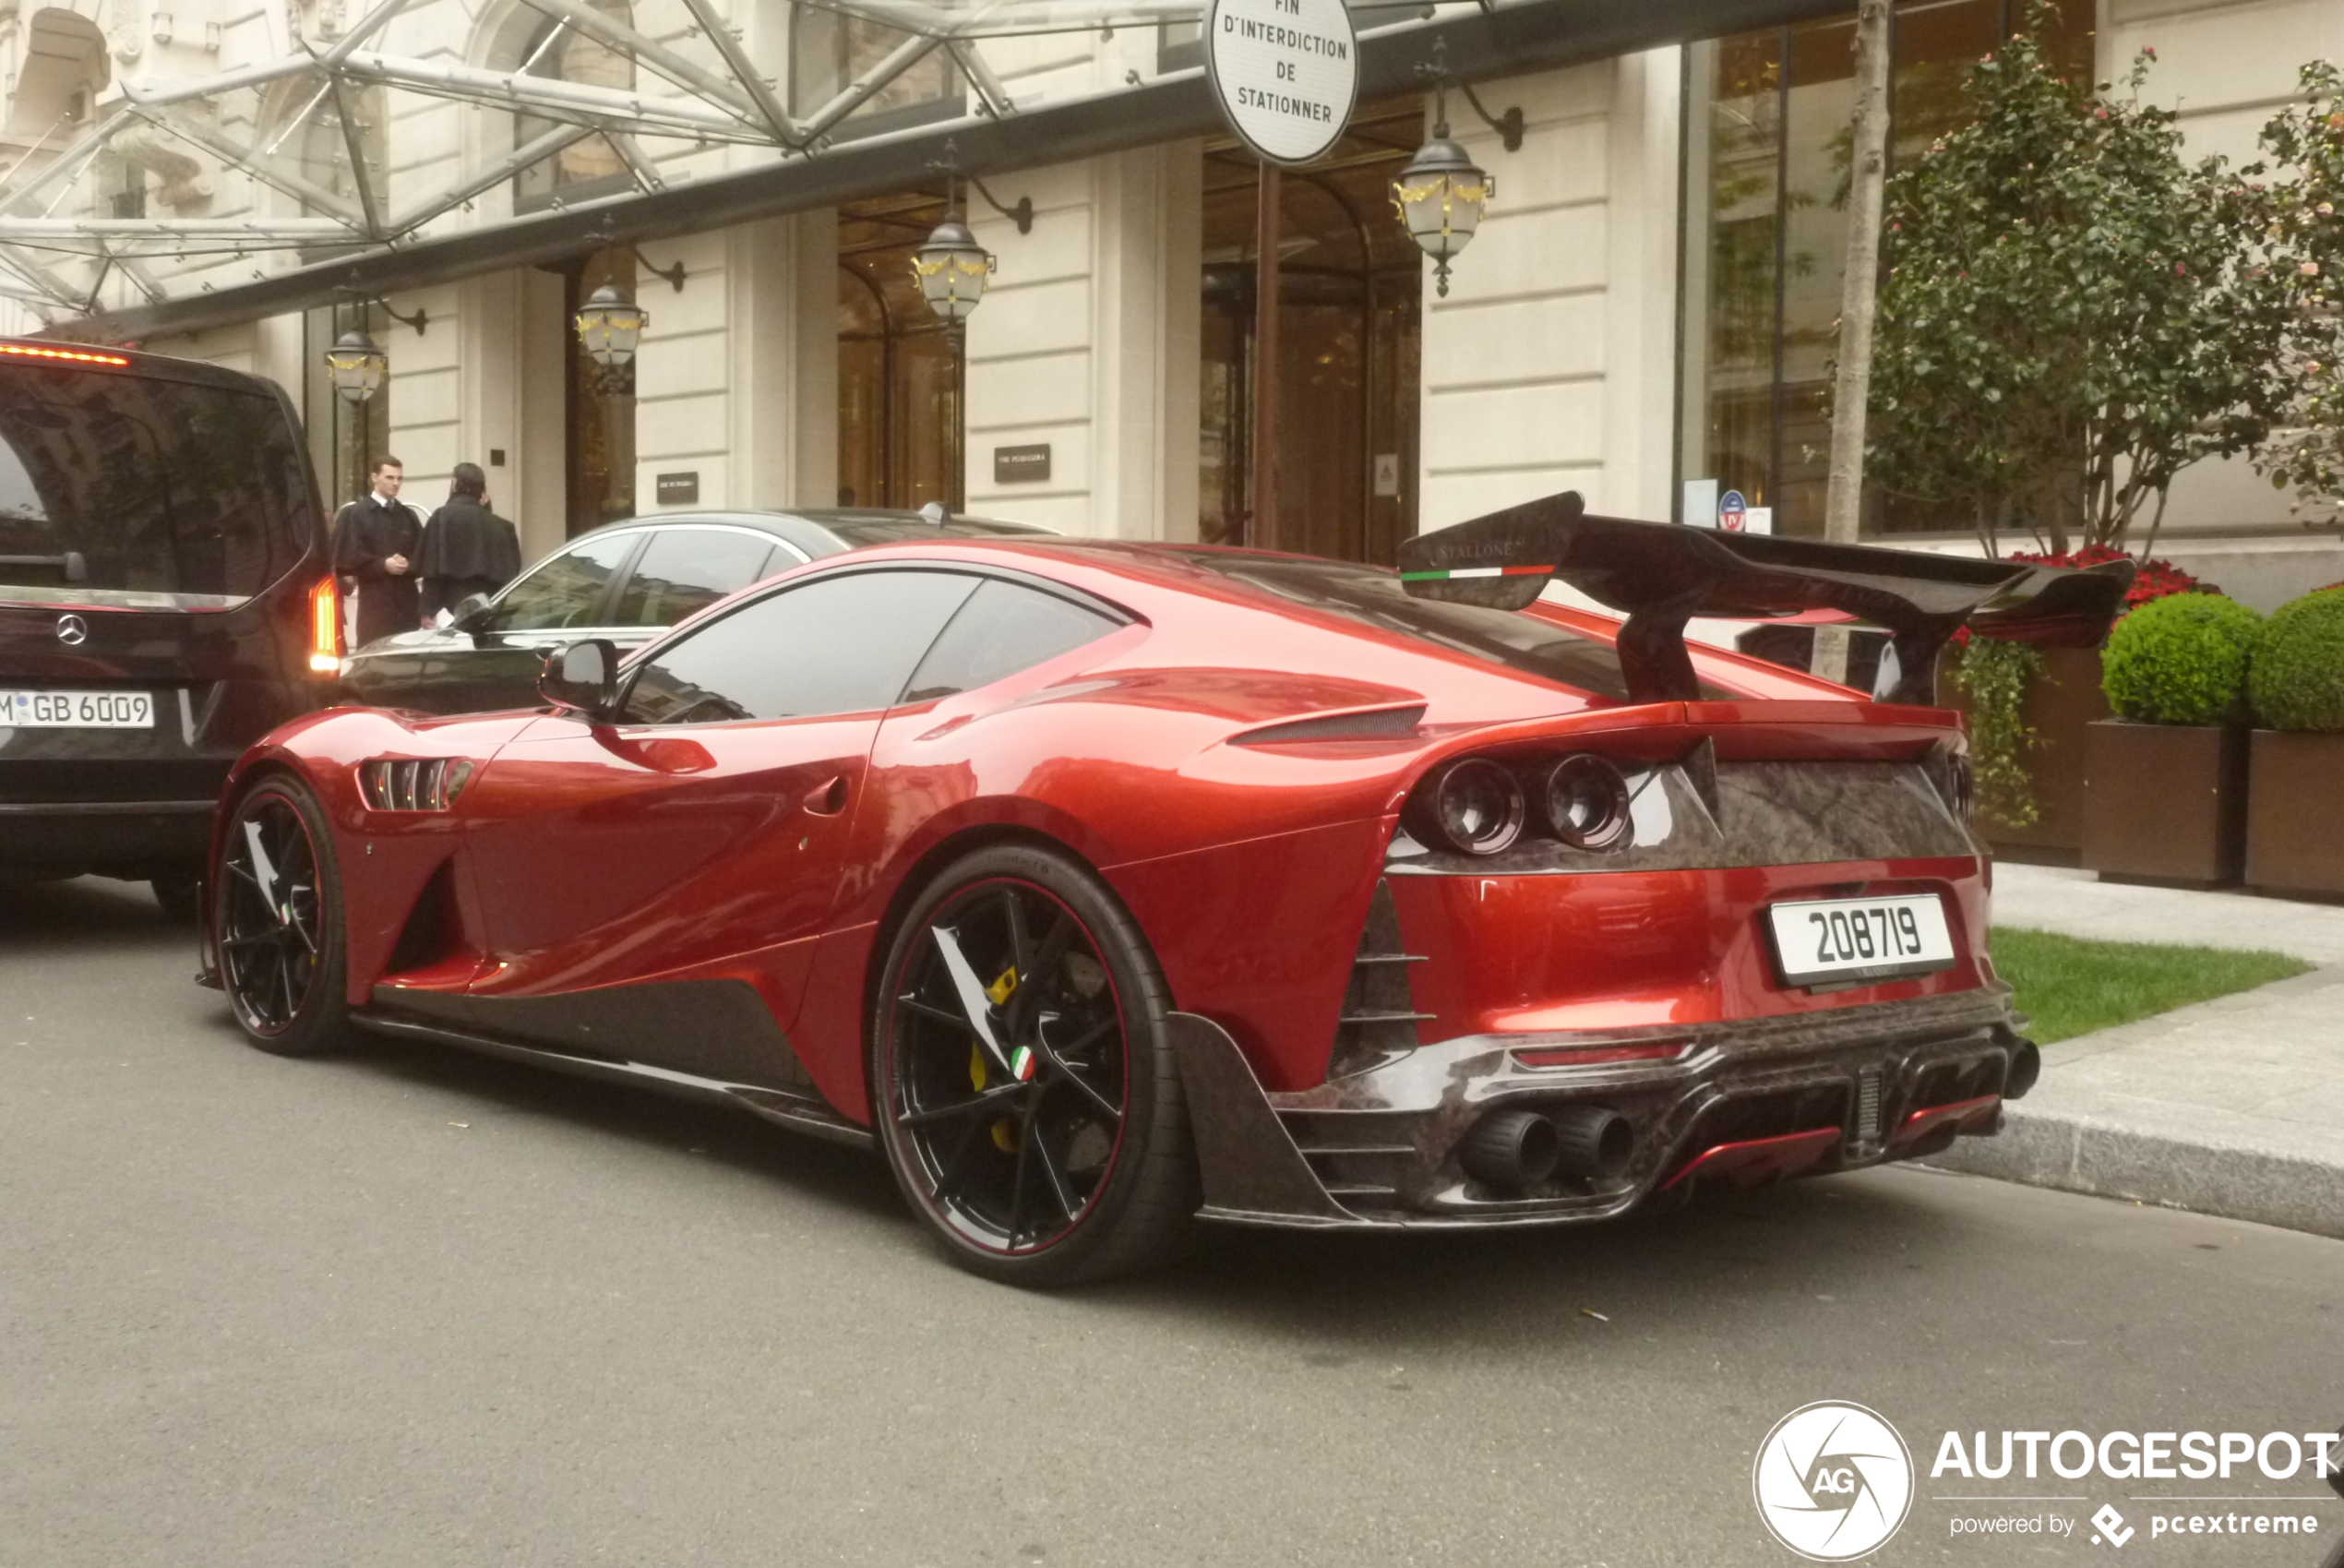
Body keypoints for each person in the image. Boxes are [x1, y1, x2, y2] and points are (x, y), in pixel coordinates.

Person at [332, 456, 424, 648]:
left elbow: (424, 555)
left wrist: (409, 564)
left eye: (399, 478)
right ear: (374, 477)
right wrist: (383, 565)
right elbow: (345, 558)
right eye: (390, 478)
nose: (396, 483)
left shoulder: (408, 515)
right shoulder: (356, 514)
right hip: (375, 608)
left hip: (407, 608)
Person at [417, 462, 522, 621]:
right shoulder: (502, 526)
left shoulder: (441, 518)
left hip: (452, 611)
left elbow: (432, 571)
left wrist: (427, 610)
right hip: (491, 610)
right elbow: (512, 572)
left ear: (454, 484)